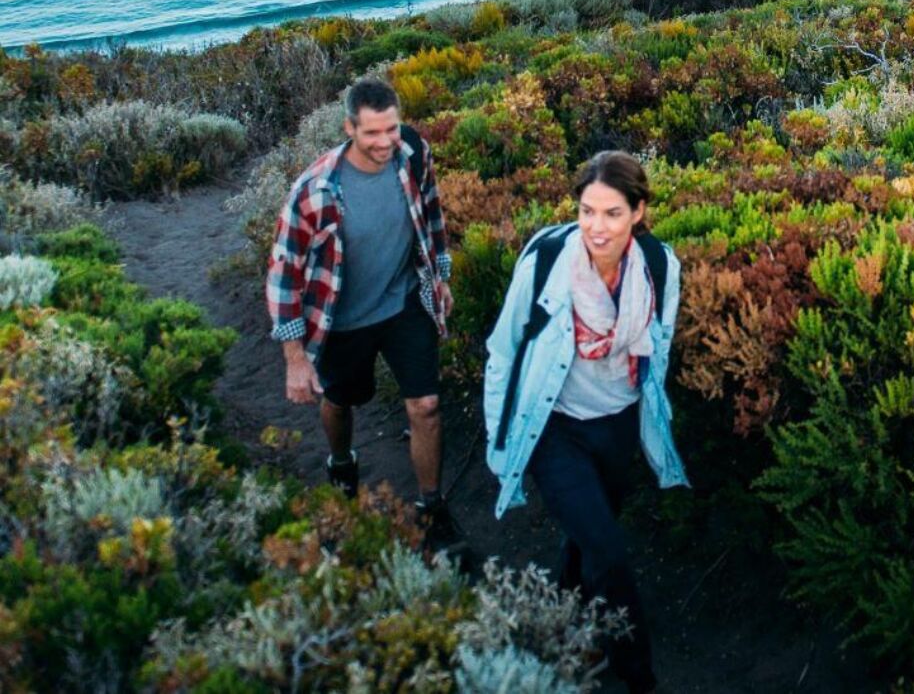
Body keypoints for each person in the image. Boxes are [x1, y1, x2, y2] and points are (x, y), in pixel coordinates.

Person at [484, 151, 688, 694]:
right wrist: (499, 440)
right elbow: (503, 351)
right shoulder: (547, 262)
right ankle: (639, 677)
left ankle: (559, 623)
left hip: (618, 424)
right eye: (587, 211)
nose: (597, 227)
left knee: (587, 542)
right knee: (610, 551)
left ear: (639, 212)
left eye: (613, 213)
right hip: (556, 430)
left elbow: (657, 353)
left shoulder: (659, 268)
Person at [266, 76, 462, 553]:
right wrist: (295, 358)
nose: (384, 143)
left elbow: (430, 212)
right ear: (349, 128)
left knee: (427, 406)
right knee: (340, 400)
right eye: (372, 133)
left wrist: (440, 274)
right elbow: (282, 273)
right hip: (342, 320)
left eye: (391, 129)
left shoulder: (413, 153)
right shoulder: (315, 190)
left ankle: (431, 506)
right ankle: (341, 462)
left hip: (402, 304)